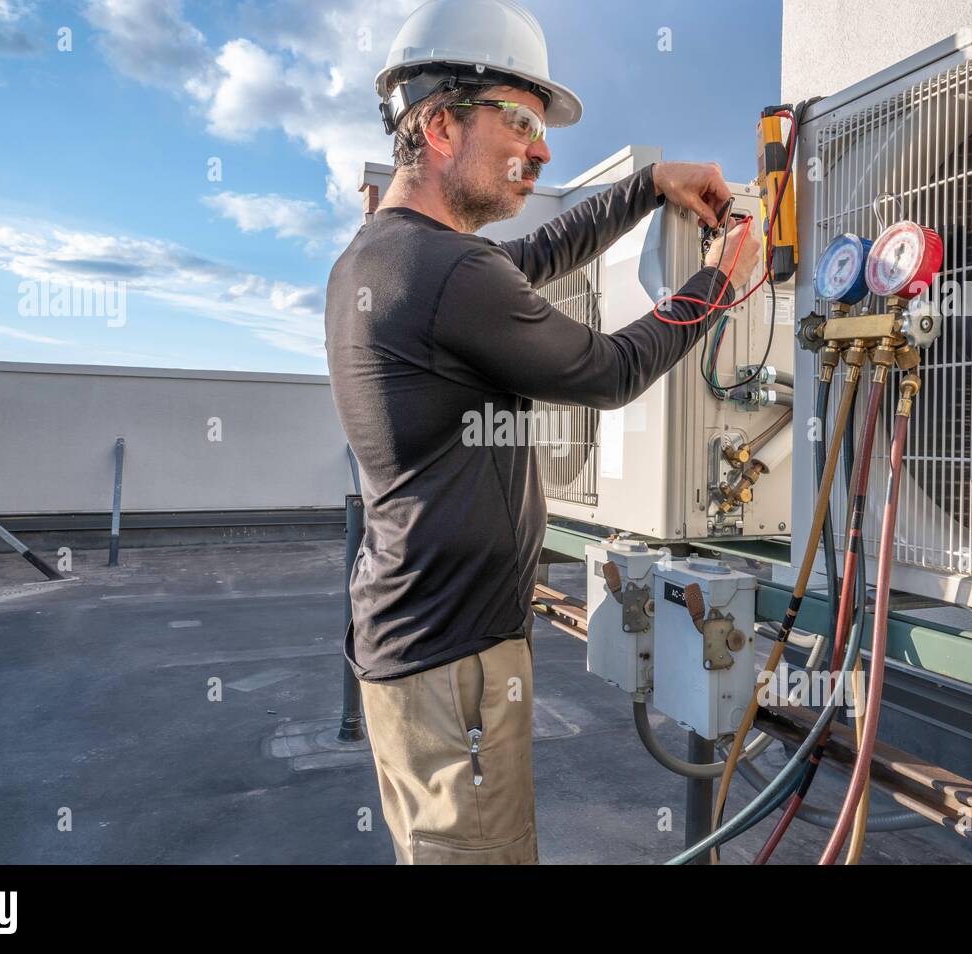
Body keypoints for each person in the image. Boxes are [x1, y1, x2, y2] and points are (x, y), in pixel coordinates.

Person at [324, 0, 759, 864]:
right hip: (456, 671)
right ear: (441, 125)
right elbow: (607, 369)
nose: (543, 147)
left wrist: (646, 187)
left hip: (413, 650)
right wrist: (720, 283)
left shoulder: (387, 256)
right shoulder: (444, 271)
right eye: (519, 121)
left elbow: (542, 256)